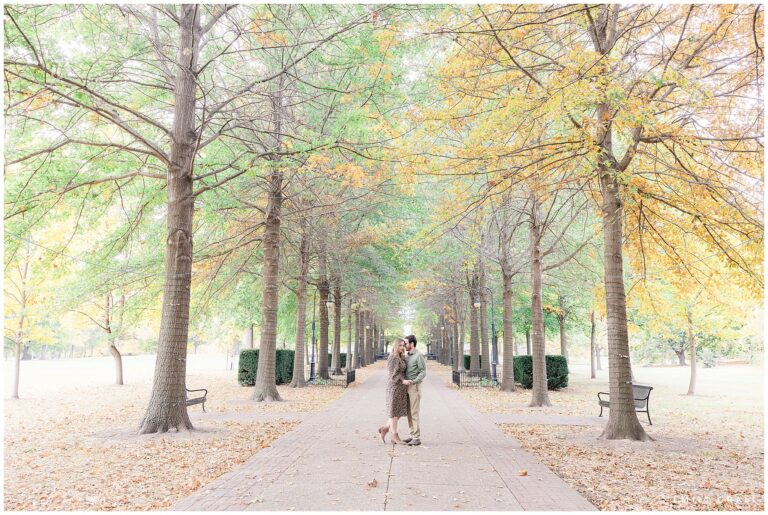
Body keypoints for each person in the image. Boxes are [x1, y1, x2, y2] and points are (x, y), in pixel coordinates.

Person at [378, 338, 409, 444]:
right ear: (396, 345)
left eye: (403, 345)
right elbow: (392, 374)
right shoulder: (393, 358)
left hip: (401, 389)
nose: (402, 347)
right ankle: (394, 436)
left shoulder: (401, 357)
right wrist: (402, 381)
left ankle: (385, 428)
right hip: (395, 387)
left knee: (398, 412)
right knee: (394, 413)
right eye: (400, 345)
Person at [403, 334, 426, 446]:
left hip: (414, 387)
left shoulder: (418, 356)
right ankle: (412, 435)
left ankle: (417, 437)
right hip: (406, 387)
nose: (404, 345)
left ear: (412, 344)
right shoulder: (407, 356)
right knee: (408, 412)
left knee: (414, 412)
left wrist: (414, 381)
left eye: (406, 343)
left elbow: (423, 372)